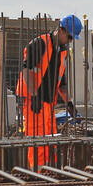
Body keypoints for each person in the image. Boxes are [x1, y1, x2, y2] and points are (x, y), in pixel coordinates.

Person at [16, 15, 81, 167]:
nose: (70, 41)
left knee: (50, 140)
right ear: (61, 30)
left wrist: (69, 103)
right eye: (69, 37)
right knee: (38, 140)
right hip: (34, 102)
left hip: (48, 103)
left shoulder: (63, 51)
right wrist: (34, 96)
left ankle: (47, 172)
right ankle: (37, 174)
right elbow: (27, 70)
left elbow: (62, 83)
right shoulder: (40, 44)